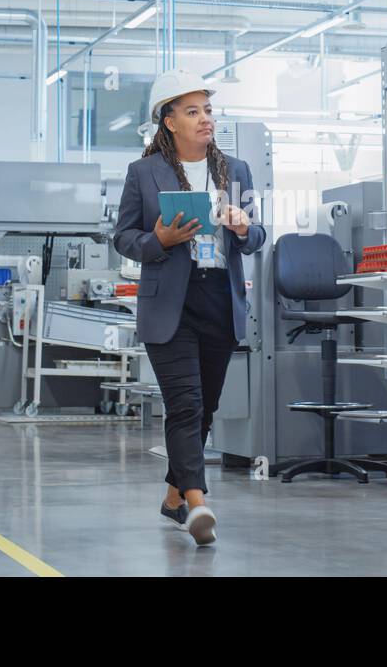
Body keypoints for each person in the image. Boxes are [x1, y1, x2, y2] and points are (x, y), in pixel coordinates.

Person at [113, 69, 267, 546]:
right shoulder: (144, 173)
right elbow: (123, 238)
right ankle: (198, 504)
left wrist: (243, 227)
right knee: (186, 404)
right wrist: (158, 240)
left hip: (220, 298)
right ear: (169, 121)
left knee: (206, 408)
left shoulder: (235, 170)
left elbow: (259, 237)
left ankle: (174, 496)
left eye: (208, 109)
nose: (206, 119)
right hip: (170, 304)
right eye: (193, 111)